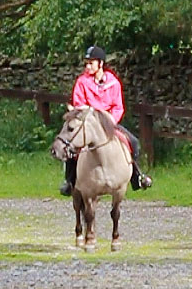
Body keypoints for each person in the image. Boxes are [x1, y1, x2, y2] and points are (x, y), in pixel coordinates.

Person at [60, 45, 153, 196]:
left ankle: (137, 176)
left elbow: (118, 107)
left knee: (133, 142)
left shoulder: (113, 83)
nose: (87, 66)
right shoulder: (82, 82)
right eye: (86, 63)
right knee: (72, 145)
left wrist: (111, 121)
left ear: (100, 64)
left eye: (91, 63)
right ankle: (69, 181)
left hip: (109, 123)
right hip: (88, 124)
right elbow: (79, 105)